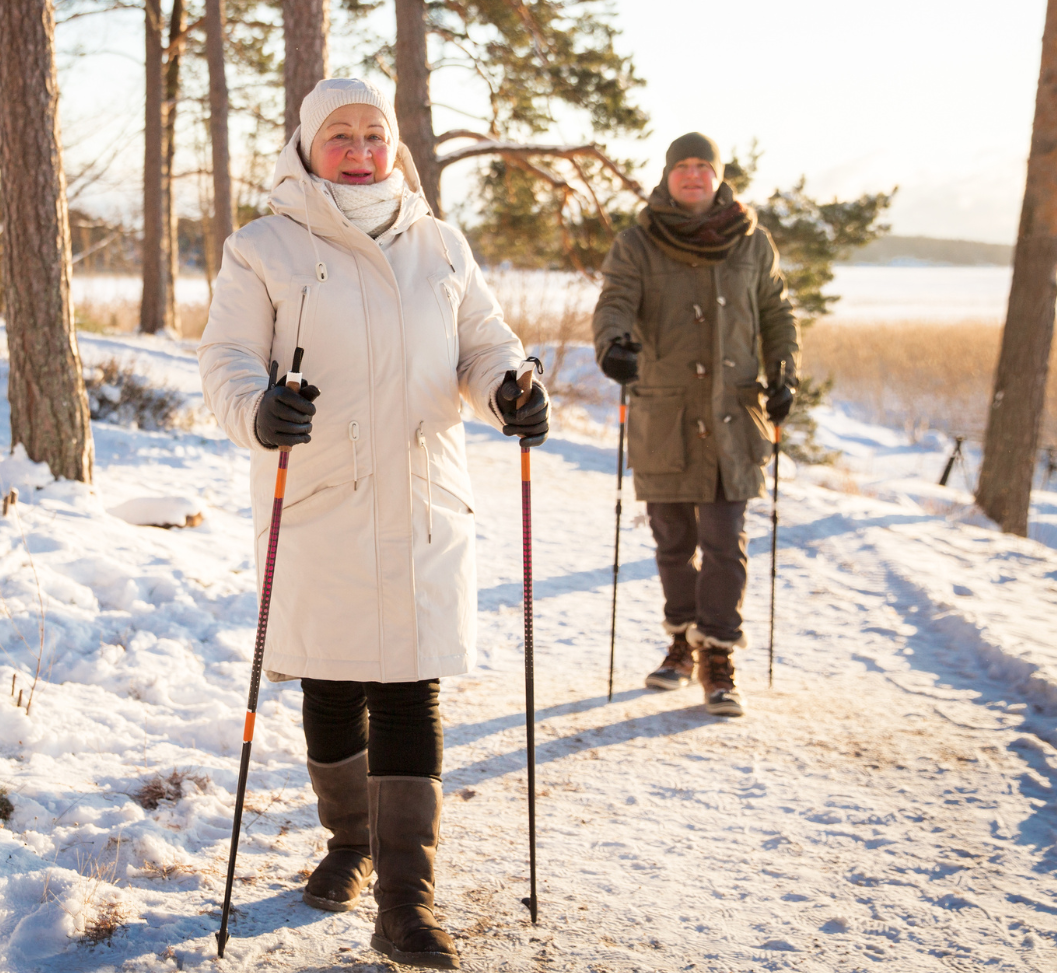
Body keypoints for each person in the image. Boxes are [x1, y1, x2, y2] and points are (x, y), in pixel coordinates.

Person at [198, 78, 548, 971]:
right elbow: (228, 360)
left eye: (374, 135)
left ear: (395, 147)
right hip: (319, 497)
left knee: (409, 688)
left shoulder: (441, 244)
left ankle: (405, 901)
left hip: (425, 494)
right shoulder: (263, 248)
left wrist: (510, 388)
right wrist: (258, 409)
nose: (359, 149)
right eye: (340, 135)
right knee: (331, 686)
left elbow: (484, 342)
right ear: (308, 148)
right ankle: (348, 841)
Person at [592, 132, 798, 718]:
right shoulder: (637, 243)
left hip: (733, 416)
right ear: (666, 176)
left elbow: (777, 312)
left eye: (701, 166)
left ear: (717, 176)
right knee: (674, 543)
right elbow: (614, 302)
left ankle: (718, 655)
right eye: (681, 166)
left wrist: (785, 373)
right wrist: (614, 345)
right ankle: (681, 642)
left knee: (725, 542)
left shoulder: (752, 242)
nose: (691, 176)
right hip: (667, 415)